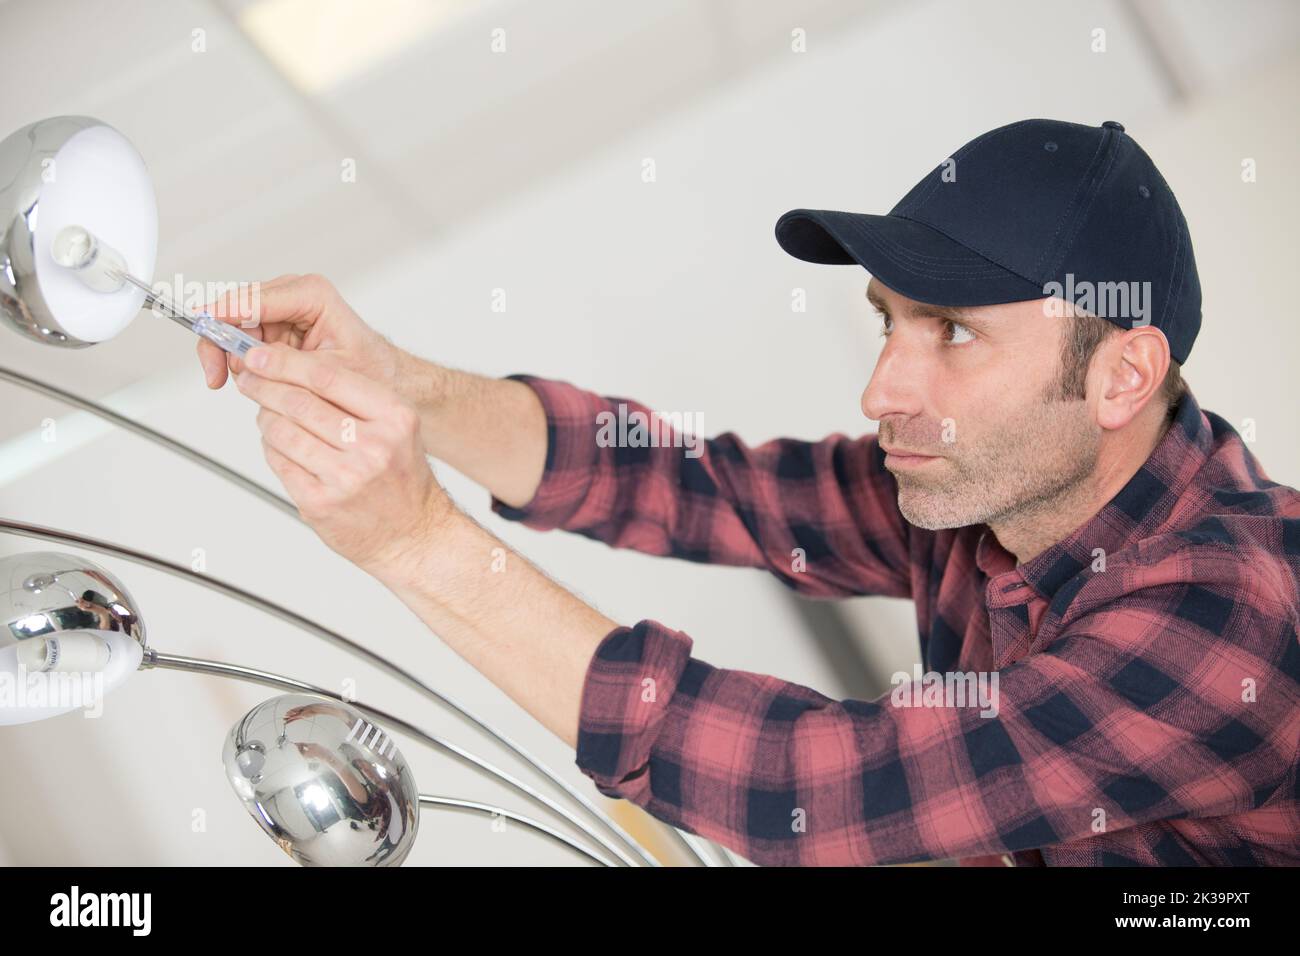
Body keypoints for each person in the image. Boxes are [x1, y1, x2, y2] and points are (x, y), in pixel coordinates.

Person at [196, 119, 1300, 866]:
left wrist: (415, 545)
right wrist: (405, 384)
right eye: (889, 319)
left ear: (1121, 375)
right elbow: (687, 480)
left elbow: (809, 785)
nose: (880, 390)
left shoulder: (1230, 608)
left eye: (953, 331)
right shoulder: (981, 487)